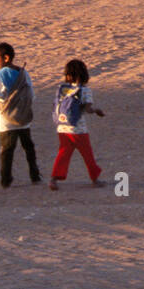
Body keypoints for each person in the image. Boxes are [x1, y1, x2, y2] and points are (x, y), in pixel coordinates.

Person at [0, 42, 41, 187]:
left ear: (5, 58)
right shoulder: (24, 73)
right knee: (28, 147)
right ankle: (35, 175)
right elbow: (31, 93)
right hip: (24, 117)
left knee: (7, 150)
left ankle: (6, 179)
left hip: (7, 120)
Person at [48, 58, 105, 190]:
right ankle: (95, 179)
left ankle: (54, 179)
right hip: (78, 130)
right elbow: (88, 109)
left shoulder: (61, 89)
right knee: (87, 154)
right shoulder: (85, 91)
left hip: (62, 127)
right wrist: (97, 111)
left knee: (63, 153)